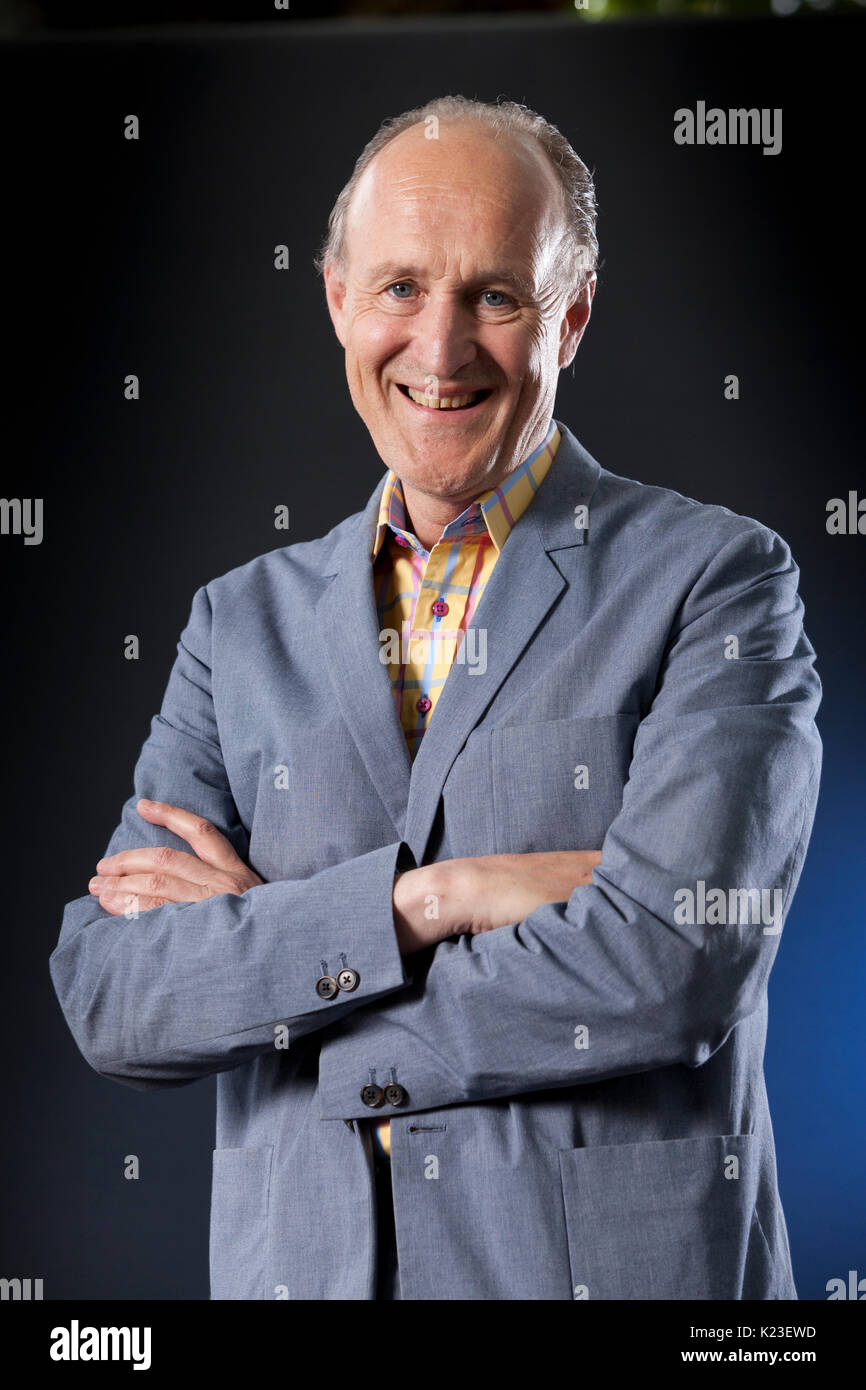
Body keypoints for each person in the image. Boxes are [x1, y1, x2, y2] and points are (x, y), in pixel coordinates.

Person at [50, 95, 822, 1301]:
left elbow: (675, 958)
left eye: (495, 296)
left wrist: (284, 977)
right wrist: (422, 902)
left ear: (569, 312)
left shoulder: (717, 581)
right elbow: (114, 996)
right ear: (337, 302)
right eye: (400, 287)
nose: (441, 346)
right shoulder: (234, 627)